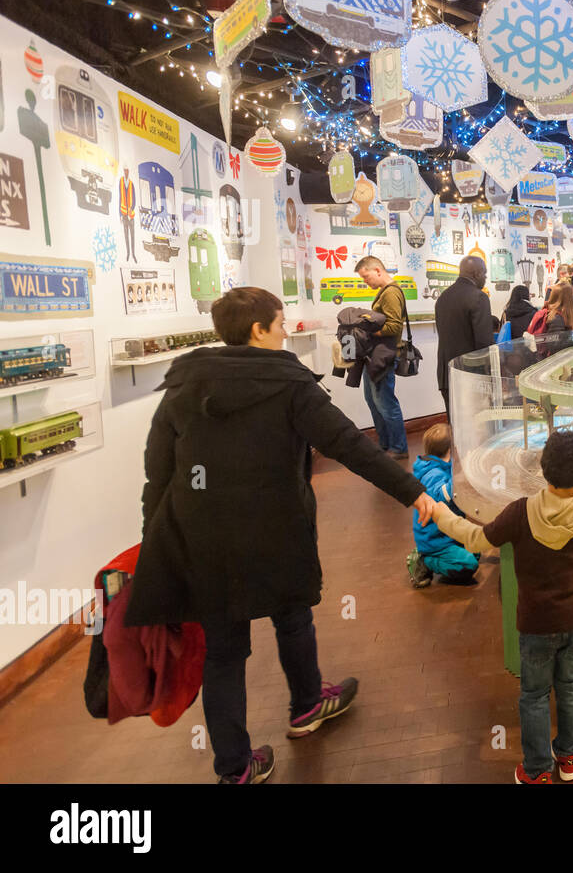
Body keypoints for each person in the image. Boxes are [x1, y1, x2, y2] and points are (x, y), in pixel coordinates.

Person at [124, 286, 438, 784]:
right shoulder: (289, 385)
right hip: (278, 530)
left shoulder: (185, 386)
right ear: (258, 330)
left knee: (223, 654)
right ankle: (307, 706)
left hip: (201, 540)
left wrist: (154, 538)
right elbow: (349, 446)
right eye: (280, 321)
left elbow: (156, 474)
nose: (286, 328)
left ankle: (234, 768)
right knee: (292, 619)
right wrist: (413, 492)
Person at [427, 431, 573, 783]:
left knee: (534, 695)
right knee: (572, 685)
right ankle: (570, 758)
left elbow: (474, 539)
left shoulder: (519, 513)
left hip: (535, 624)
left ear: (542, 470)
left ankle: (537, 771)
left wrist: (439, 512)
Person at [407, 423, 479, 587]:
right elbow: (442, 494)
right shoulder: (432, 474)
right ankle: (425, 561)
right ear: (450, 451)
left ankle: (439, 557)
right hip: (436, 541)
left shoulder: (441, 466)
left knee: (476, 551)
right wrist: (462, 472)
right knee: (467, 565)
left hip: (449, 534)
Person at [354, 255, 409, 458]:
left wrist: (368, 331)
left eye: (366, 276)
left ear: (378, 270)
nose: (365, 281)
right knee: (374, 400)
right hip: (377, 356)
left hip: (384, 356)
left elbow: (394, 325)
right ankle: (386, 444)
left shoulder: (390, 293)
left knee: (385, 403)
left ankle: (398, 447)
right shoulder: (385, 292)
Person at [434, 256, 494, 426]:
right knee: (477, 431)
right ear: (477, 273)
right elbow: (484, 344)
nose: (485, 278)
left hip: (446, 373)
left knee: (456, 428)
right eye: (484, 274)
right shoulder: (478, 297)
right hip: (470, 377)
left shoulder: (443, 298)